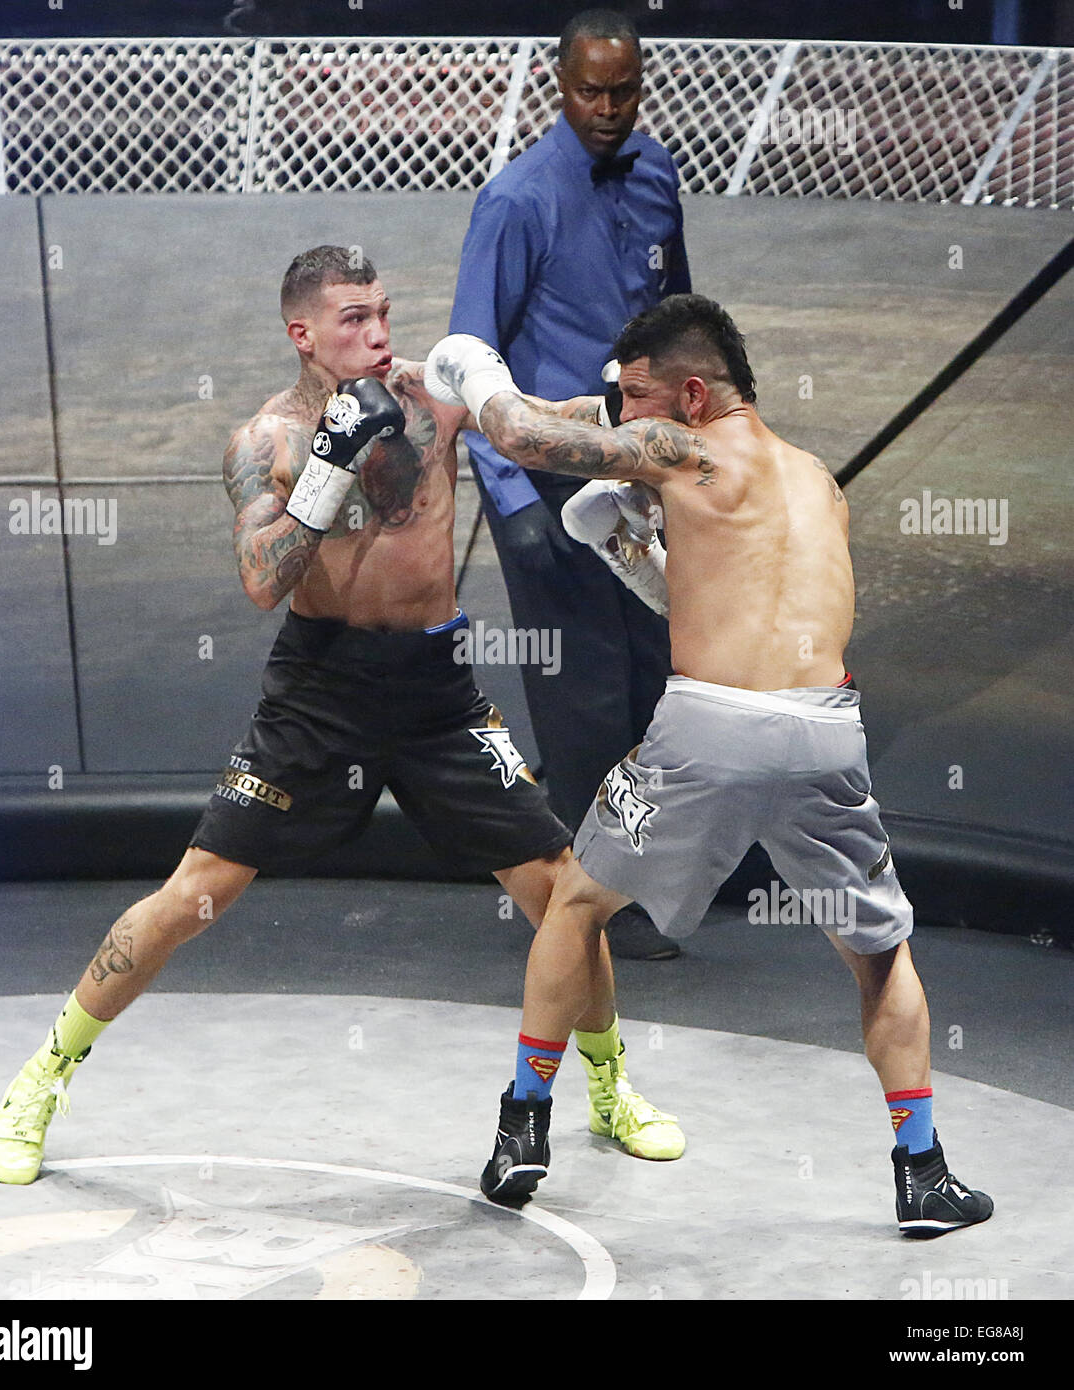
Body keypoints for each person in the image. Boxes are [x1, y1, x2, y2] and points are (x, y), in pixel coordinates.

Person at [0, 246, 685, 1187]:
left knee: (562, 894)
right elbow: (260, 581)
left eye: (385, 311)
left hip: (437, 690)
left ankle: (607, 1084)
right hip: (320, 690)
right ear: (301, 332)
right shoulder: (262, 442)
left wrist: (640, 411)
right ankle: (44, 1075)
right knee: (196, 893)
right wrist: (325, 470)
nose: (379, 333)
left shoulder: (434, 402)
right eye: (354, 317)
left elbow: (543, 426)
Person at [423, 304, 994, 1234]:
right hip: (825, 734)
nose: (624, 410)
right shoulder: (817, 481)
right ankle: (922, 1173)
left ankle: (523, 1122)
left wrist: (466, 366)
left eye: (637, 393)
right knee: (880, 955)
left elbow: (525, 435)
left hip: (707, 731)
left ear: (691, 392)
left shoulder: (682, 449)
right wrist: (632, 547)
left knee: (575, 902)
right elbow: (736, 598)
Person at [448, 9, 690, 960]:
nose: (605, 108)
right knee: (583, 688)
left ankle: (646, 872)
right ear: (558, 84)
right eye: (588, 90)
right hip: (545, 492)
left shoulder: (660, 174)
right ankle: (596, 906)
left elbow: (680, 322)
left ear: (640, 83)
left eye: (621, 89)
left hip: (641, 473)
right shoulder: (516, 200)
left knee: (658, 671)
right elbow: (470, 361)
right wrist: (515, 511)